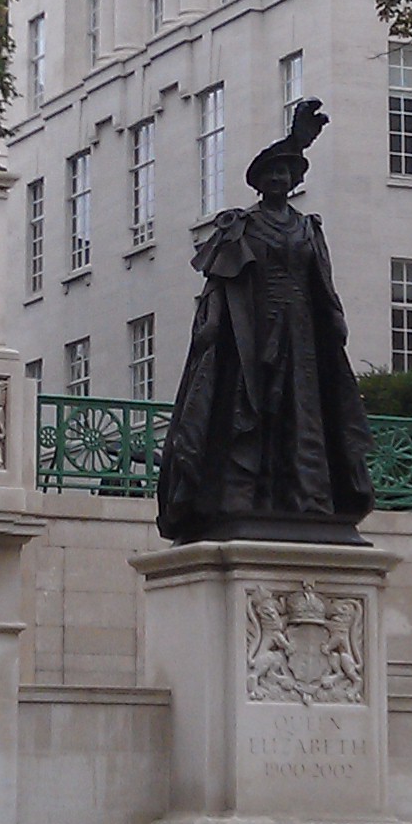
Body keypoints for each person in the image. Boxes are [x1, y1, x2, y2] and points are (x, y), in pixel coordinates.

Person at [156, 100, 376, 544]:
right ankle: (244, 496)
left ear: (296, 181)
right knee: (250, 413)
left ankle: (307, 498)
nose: (279, 180)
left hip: (303, 334)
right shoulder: (242, 226)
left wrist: (334, 321)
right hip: (252, 335)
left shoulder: (307, 228)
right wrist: (211, 325)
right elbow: (219, 282)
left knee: (304, 413)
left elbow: (321, 282)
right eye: (271, 174)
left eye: (286, 174)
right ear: (258, 183)